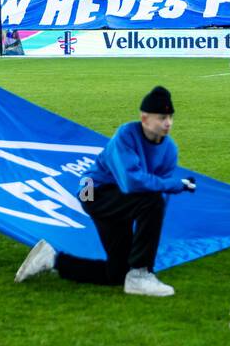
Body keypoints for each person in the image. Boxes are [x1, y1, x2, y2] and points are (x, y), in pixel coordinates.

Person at [14, 86, 195, 297]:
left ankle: (51, 259)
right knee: (151, 201)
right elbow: (131, 182)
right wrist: (177, 184)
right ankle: (139, 275)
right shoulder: (126, 135)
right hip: (92, 191)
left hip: (122, 199)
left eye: (170, 117)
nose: (168, 123)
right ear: (144, 118)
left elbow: (160, 191)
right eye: (162, 117)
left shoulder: (169, 149)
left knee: (117, 273)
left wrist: (152, 232)